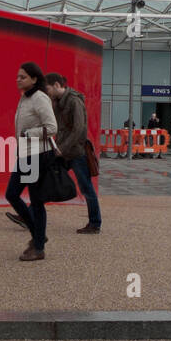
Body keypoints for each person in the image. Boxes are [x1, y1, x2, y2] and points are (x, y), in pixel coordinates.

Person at [4, 61, 58, 261]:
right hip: (27, 154)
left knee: (33, 200)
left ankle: (38, 245)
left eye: (23, 77)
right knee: (14, 195)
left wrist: (28, 134)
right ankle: (38, 237)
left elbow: (52, 127)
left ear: (34, 79)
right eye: (17, 76)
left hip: (38, 155)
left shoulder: (39, 98)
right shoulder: (25, 97)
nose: (18, 79)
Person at [45, 72, 101, 234]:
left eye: (48, 89)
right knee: (47, 180)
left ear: (56, 85)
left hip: (77, 153)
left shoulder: (74, 101)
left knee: (86, 188)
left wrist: (62, 148)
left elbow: (79, 129)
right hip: (63, 151)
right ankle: (30, 215)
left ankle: (95, 223)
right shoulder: (57, 102)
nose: (47, 92)